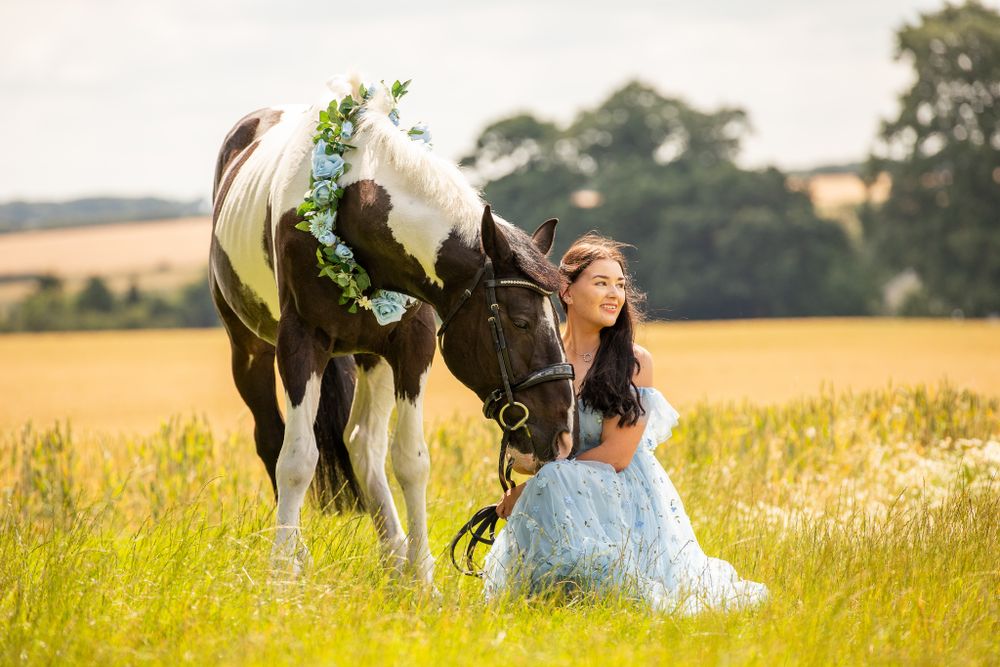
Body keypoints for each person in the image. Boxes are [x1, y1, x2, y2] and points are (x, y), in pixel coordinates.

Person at [482, 233, 768, 614]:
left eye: (619, 284)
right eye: (601, 283)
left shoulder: (634, 361)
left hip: (619, 493)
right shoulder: (542, 359)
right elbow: (534, 453)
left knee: (624, 590)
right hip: (558, 495)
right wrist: (527, 463)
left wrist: (533, 489)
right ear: (566, 291)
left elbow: (617, 455)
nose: (614, 294)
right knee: (538, 597)